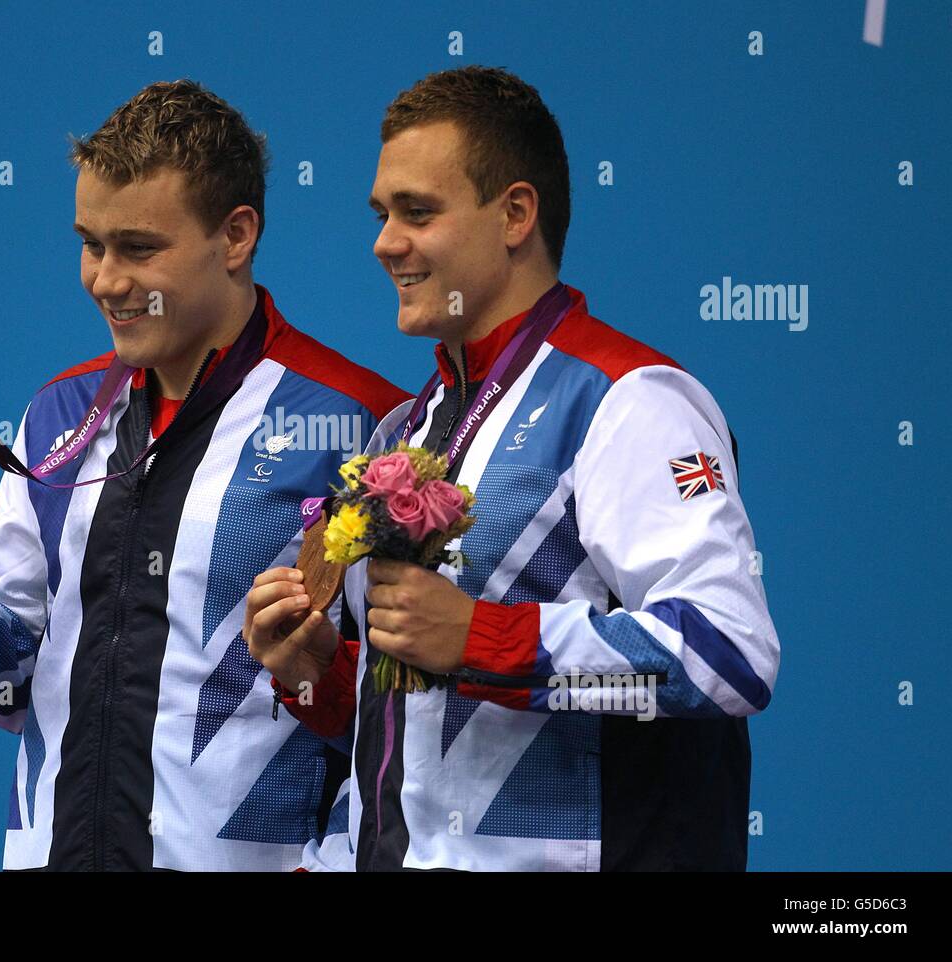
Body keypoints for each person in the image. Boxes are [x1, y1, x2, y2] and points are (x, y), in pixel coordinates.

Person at [244, 66, 780, 871]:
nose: (385, 241)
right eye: (383, 213)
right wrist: (318, 671)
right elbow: (423, 728)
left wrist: (479, 638)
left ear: (515, 215)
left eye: (417, 212)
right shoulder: (405, 428)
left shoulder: (629, 401)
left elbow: (727, 656)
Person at [0, 79, 408, 871]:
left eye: (138, 248)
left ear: (235, 236)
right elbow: (10, 689)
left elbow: (410, 719)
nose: (106, 280)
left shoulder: (364, 427)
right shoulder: (57, 415)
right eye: (91, 243)